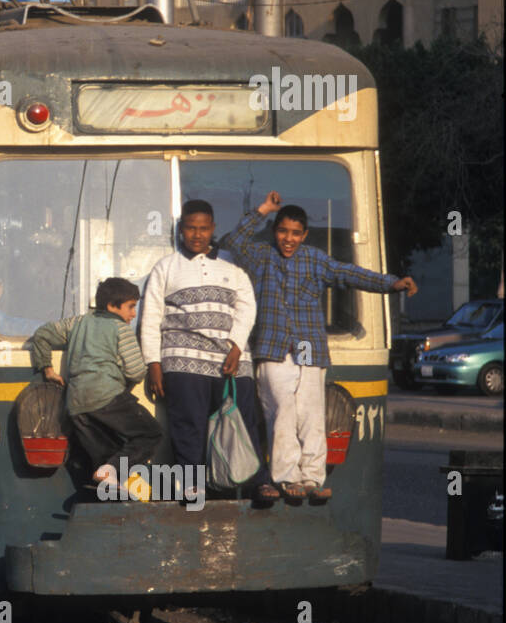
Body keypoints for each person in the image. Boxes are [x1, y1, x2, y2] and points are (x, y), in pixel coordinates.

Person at [225, 191, 418, 501]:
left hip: (308, 347)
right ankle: (287, 478)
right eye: (283, 231)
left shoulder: (315, 260)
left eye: (295, 233)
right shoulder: (261, 256)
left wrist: (391, 284)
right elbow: (233, 241)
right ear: (275, 231)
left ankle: (312, 479)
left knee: (311, 413)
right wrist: (263, 209)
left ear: (305, 235)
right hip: (274, 349)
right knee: (282, 411)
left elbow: (348, 274)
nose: (289, 239)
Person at [140, 200, 275, 499]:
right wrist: (154, 364)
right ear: (181, 230)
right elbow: (150, 318)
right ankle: (193, 487)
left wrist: (237, 346)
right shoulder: (166, 267)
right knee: (188, 427)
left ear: (213, 229)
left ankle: (256, 482)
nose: (197, 235)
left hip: (232, 360)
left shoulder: (232, 263)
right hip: (182, 360)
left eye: (203, 228)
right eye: (190, 228)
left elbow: (246, 307)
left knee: (242, 421)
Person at [27, 277, 161, 501]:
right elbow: (137, 370)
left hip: (76, 404)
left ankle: (108, 483)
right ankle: (112, 477)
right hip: (107, 396)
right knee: (150, 433)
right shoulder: (121, 329)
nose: (133, 315)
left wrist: (48, 369)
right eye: (130, 307)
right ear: (112, 306)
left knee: (104, 457)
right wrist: (125, 387)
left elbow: (42, 334)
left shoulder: (77, 323)